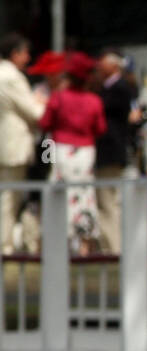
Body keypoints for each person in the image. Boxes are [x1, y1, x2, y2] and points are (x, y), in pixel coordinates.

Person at [39, 51, 105, 253]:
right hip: (85, 152)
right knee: (84, 195)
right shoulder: (94, 101)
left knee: (59, 194)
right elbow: (100, 128)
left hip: (62, 150)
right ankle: (84, 246)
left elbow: (45, 122)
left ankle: (59, 245)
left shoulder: (59, 97)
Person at [0, 32, 43, 255]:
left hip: (5, 145)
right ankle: (4, 247)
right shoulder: (12, 77)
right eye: (25, 53)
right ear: (14, 53)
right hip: (12, 146)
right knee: (9, 199)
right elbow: (34, 112)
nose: (28, 57)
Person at [93, 51, 139, 253]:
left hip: (110, 152)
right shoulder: (110, 87)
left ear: (113, 66)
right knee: (110, 203)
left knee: (108, 203)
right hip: (111, 152)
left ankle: (112, 249)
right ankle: (112, 246)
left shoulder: (119, 88)